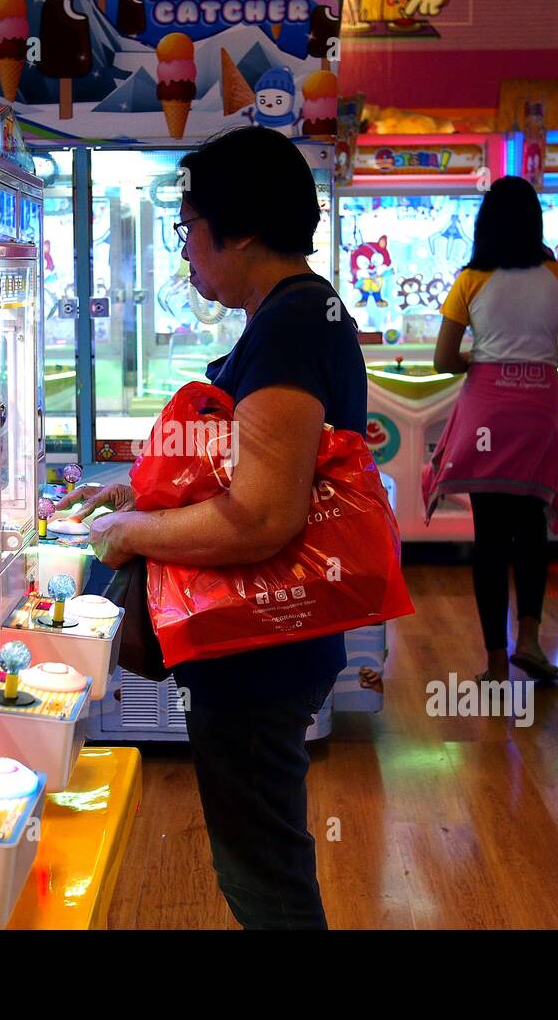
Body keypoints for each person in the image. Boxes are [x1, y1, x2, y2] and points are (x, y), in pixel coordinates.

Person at [55, 126, 365, 929]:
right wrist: (140, 487)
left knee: (261, 871)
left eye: (189, 223)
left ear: (245, 227)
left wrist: (131, 532)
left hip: (258, 648)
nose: (185, 246)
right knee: (265, 854)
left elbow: (262, 514)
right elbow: (250, 468)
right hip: (266, 642)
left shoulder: (294, 324)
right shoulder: (298, 312)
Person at [423, 176, 558, 683]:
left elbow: (442, 361)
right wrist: (538, 353)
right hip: (540, 413)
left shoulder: (469, 280)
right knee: (532, 529)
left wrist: (490, 355)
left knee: (490, 538)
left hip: (487, 415)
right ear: (536, 221)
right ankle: (531, 643)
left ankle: (496, 663)